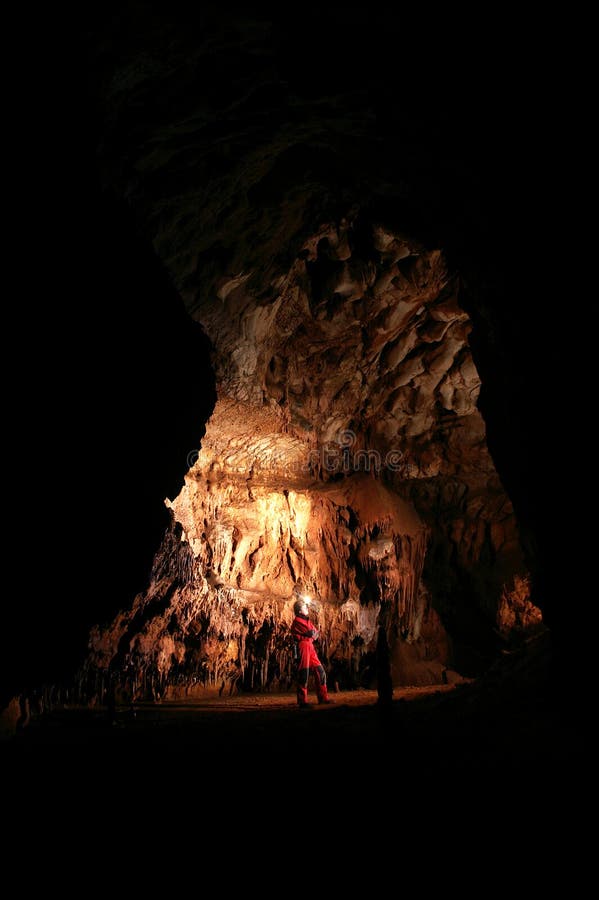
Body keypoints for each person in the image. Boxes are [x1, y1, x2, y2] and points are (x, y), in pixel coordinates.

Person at [291, 596, 334, 706]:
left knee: (320, 672)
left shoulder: (307, 620)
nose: (307, 609)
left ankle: (323, 698)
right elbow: (312, 633)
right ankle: (302, 701)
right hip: (303, 646)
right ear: (300, 610)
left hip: (310, 647)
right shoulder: (297, 621)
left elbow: (316, 634)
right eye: (305, 607)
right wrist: (312, 634)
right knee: (303, 673)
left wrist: (312, 634)